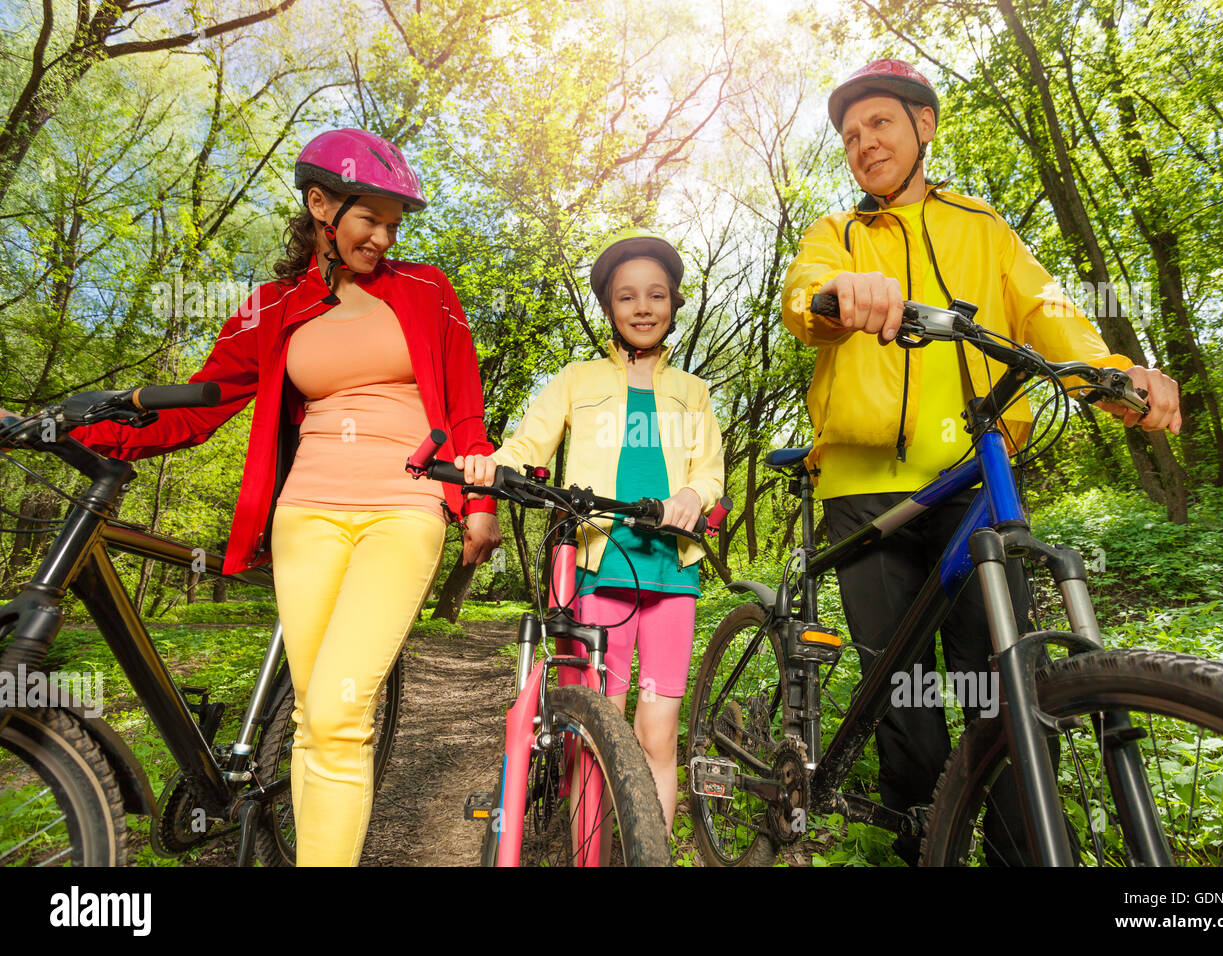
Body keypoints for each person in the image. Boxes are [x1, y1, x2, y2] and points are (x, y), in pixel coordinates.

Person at [64, 128, 502, 866]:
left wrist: (478, 501)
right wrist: (81, 429)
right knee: (313, 719)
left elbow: (463, 406)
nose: (386, 236)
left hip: (405, 507)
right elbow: (197, 406)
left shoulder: (426, 290)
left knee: (337, 711)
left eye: (396, 223)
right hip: (306, 519)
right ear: (320, 205)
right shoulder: (272, 307)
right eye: (371, 218)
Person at [781, 59, 1182, 864]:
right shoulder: (838, 234)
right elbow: (806, 296)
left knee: (997, 690)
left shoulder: (984, 225)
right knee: (906, 708)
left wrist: (1111, 372)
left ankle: (1022, 852)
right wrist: (842, 294)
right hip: (867, 490)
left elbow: (1046, 309)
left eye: (881, 124)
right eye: (851, 135)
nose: (865, 144)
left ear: (924, 125)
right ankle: (913, 837)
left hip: (975, 476)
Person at [457, 230, 724, 837]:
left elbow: (709, 472)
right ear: (609, 307)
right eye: (627, 296)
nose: (642, 307)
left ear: (674, 304)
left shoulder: (693, 392)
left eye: (656, 295)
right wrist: (492, 468)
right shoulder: (576, 379)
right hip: (598, 570)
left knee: (657, 734)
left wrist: (691, 494)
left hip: (671, 575)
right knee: (592, 733)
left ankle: (647, 853)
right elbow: (528, 447)